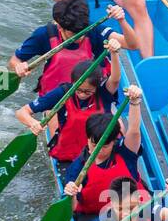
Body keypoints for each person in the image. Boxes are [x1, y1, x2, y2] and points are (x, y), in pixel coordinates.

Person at [14, 36, 122, 164]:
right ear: (73, 83)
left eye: (88, 92)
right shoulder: (63, 92)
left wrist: (115, 53)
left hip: (100, 156)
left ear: (97, 86)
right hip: (69, 155)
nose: (82, 94)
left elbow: (115, 79)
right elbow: (21, 112)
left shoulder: (103, 93)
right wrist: (32, 123)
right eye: (78, 89)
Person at [8, 0, 135, 94]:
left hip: (91, 93)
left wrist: (121, 20)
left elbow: (132, 44)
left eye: (82, 32)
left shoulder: (93, 29)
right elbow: (15, 61)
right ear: (59, 25)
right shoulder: (43, 34)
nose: (79, 37)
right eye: (73, 34)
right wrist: (18, 67)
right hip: (56, 95)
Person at [64, 85, 143, 221]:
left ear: (114, 141)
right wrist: (71, 193)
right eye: (94, 145)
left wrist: (135, 101)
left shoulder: (125, 153)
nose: (99, 150)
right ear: (87, 139)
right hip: (94, 218)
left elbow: (134, 130)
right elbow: (72, 207)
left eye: (105, 146)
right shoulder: (78, 167)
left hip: (130, 212)